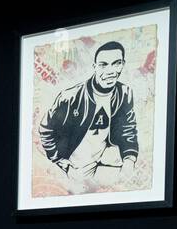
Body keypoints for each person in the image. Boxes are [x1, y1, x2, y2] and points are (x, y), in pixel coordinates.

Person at [37, 40, 139, 183]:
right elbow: (46, 130)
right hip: (78, 168)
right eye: (103, 65)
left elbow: (128, 128)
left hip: (108, 164)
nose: (110, 71)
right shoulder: (70, 97)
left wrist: (129, 159)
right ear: (95, 67)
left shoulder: (124, 93)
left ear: (122, 64)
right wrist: (59, 159)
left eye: (116, 63)